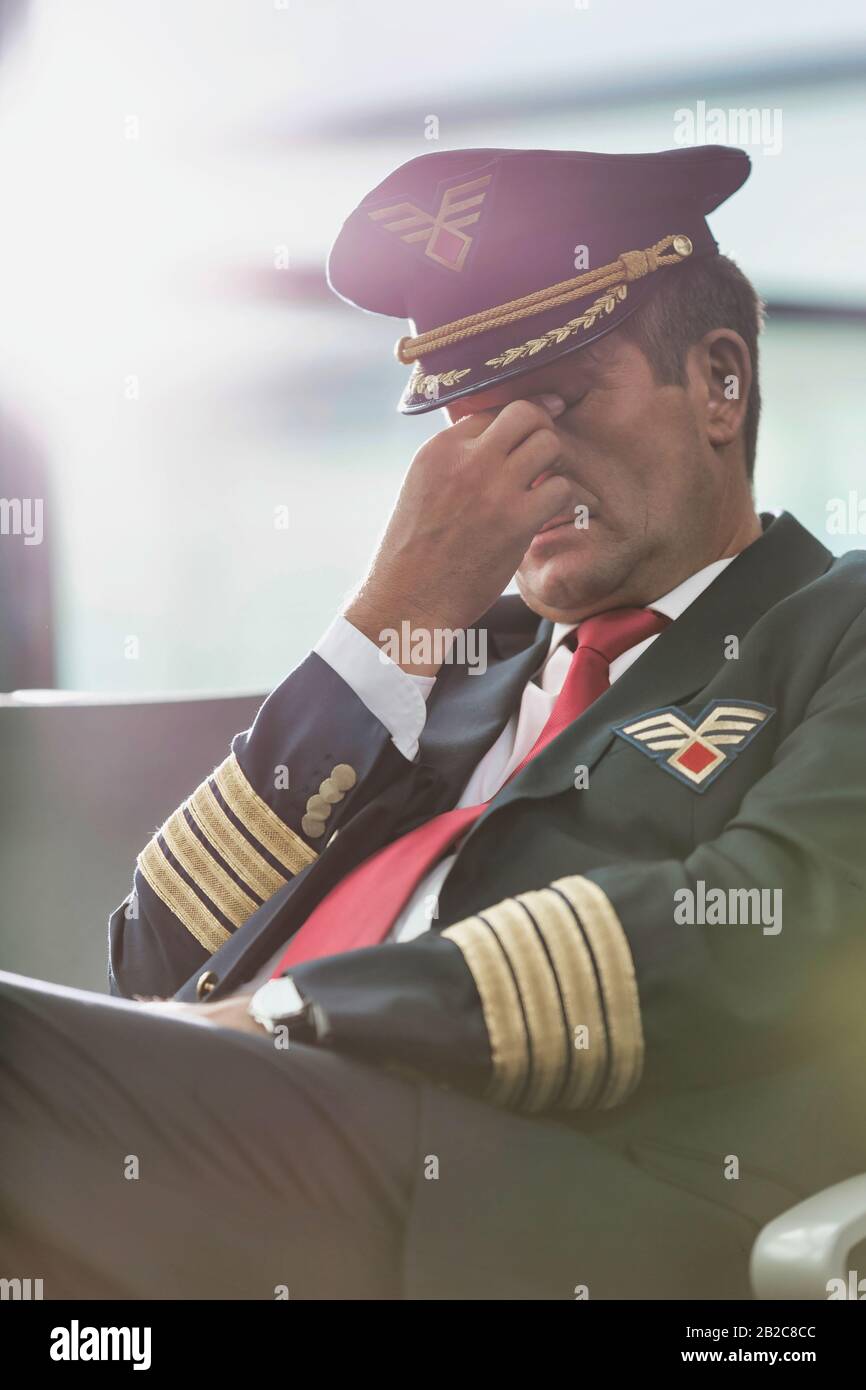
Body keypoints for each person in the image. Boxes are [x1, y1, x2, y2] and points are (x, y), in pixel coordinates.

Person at [3, 145, 865, 1300]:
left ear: (718, 382)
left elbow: (765, 924)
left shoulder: (828, 624)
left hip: (550, 1209)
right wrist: (385, 625)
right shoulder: (435, 673)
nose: (509, 462)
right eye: (471, 418)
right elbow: (153, 964)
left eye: (554, 400)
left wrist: (304, 1012)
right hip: (265, 1157)